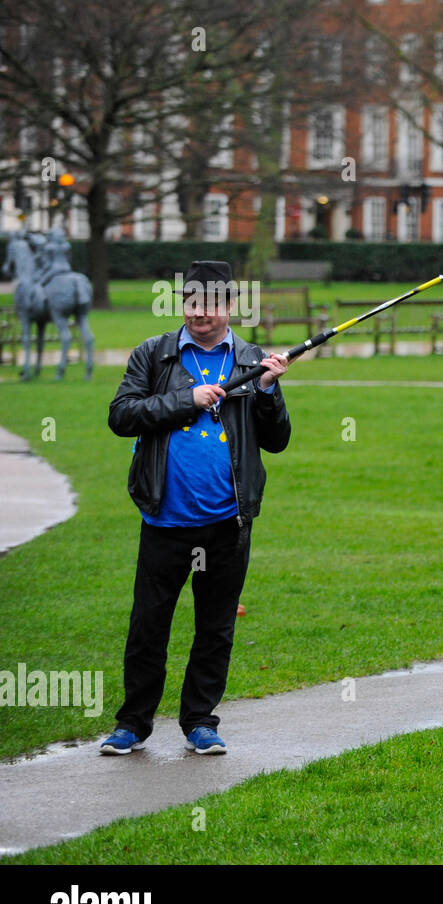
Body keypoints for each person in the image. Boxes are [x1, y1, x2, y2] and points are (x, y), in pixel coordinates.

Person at [101, 260, 296, 755]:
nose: (198, 314)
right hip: (165, 519)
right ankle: (132, 725)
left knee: (215, 628)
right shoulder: (154, 355)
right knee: (148, 626)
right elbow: (122, 416)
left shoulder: (251, 360)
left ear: (229, 307)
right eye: (190, 304)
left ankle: (200, 723)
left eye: (209, 305)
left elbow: (276, 441)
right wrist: (186, 399)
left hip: (227, 524)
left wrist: (269, 390)